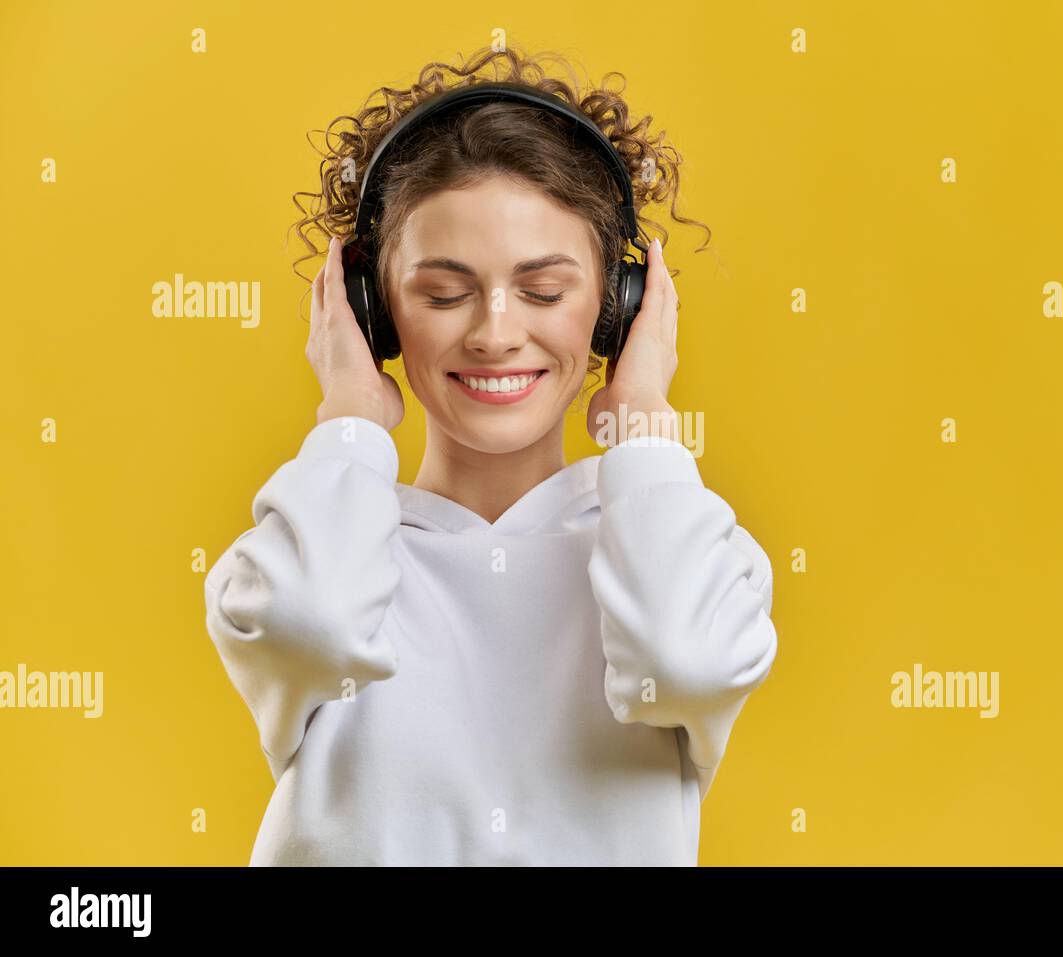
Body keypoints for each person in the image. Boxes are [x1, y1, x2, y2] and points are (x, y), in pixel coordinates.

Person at [203, 46, 778, 865]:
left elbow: (682, 658)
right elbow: (315, 624)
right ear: (372, 312)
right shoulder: (312, 547)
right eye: (444, 293)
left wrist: (643, 419)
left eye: (544, 290)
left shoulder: (693, 558)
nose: (497, 331)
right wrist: (351, 418)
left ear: (619, 308)